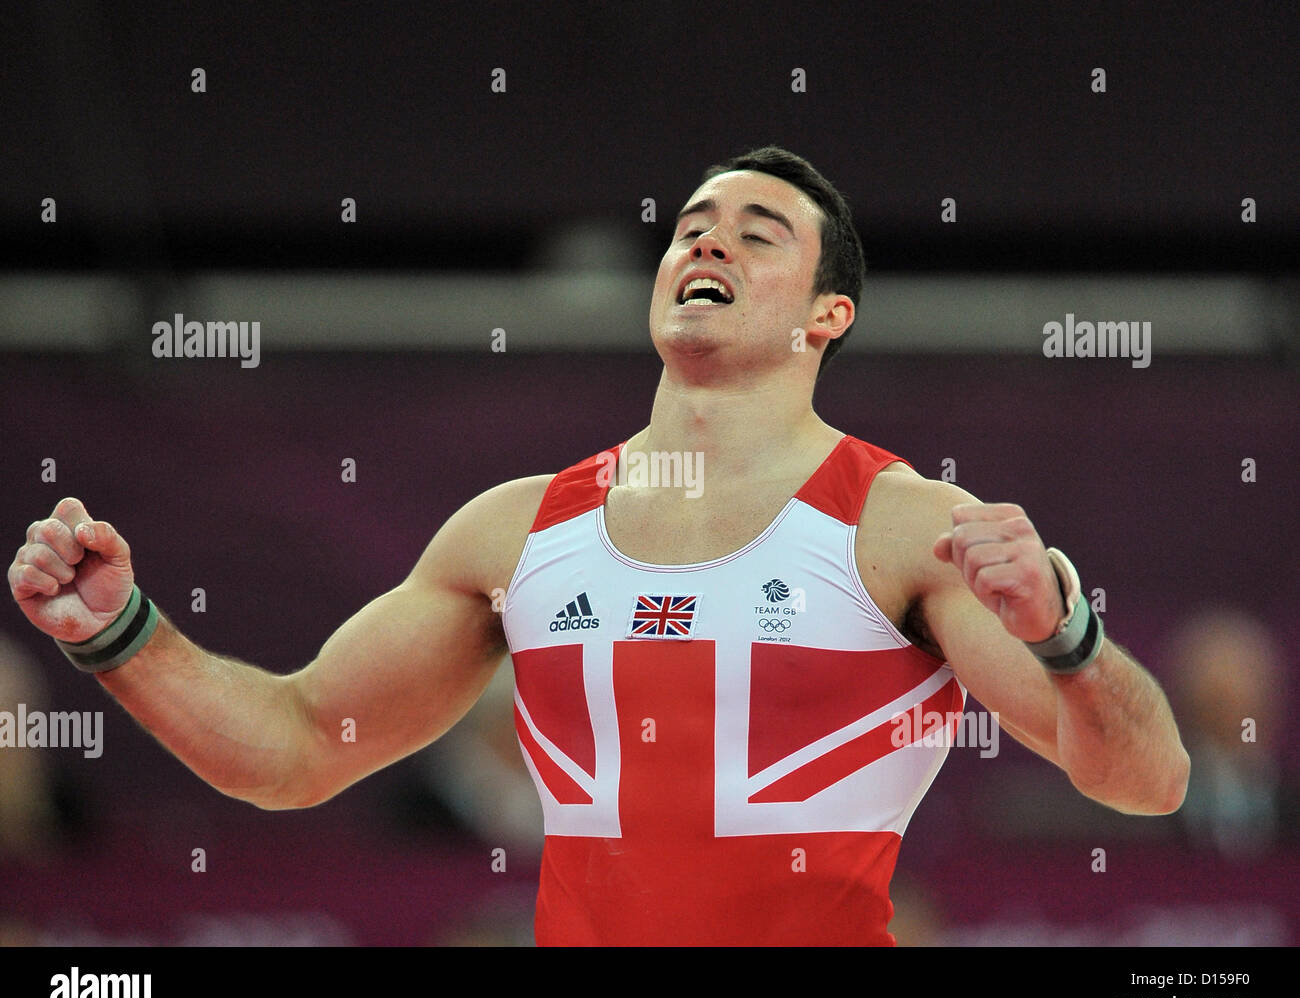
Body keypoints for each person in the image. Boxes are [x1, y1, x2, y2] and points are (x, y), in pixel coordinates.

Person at [7, 146, 1189, 946]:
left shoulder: (906, 527)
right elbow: (296, 744)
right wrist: (122, 635)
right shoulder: (516, 529)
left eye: (756, 233)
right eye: (689, 229)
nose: (706, 247)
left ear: (829, 313)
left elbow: (1148, 781)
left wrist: (1071, 638)